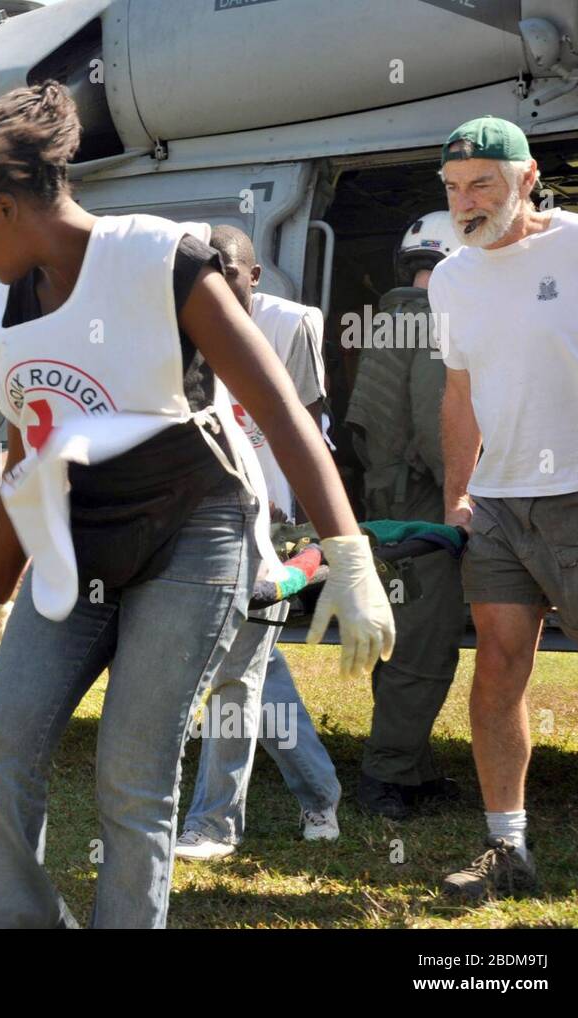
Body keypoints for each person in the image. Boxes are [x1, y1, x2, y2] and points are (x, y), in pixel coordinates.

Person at [0, 81, 394, 928]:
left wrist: (350, 555)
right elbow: (23, 466)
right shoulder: (0, 319)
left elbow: (284, 411)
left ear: (3, 205)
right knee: (2, 747)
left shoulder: (160, 258)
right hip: (78, 542)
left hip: (196, 529)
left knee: (131, 774)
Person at [431, 116, 578, 902]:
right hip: (500, 502)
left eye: (482, 185)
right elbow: (460, 391)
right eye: (455, 188)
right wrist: (456, 494)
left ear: (527, 178)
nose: (466, 204)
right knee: (497, 667)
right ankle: (508, 849)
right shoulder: (452, 277)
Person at [175, 225, 342, 860]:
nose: (218, 286)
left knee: (237, 675)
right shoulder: (181, 319)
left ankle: (215, 823)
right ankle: (320, 794)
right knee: (252, 671)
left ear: (257, 276)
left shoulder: (290, 325)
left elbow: (309, 430)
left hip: (271, 532)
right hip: (209, 515)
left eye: (232, 275)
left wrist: (311, 529)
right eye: (207, 275)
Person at [345, 211, 465, 820]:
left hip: (386, 502)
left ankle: (411, 770)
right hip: (424, 511)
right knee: (425, 647)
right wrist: (461, 502)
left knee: (401, 640)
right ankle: (386, 777)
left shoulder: (389, 320)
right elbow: (437, 426)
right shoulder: (436, 323)